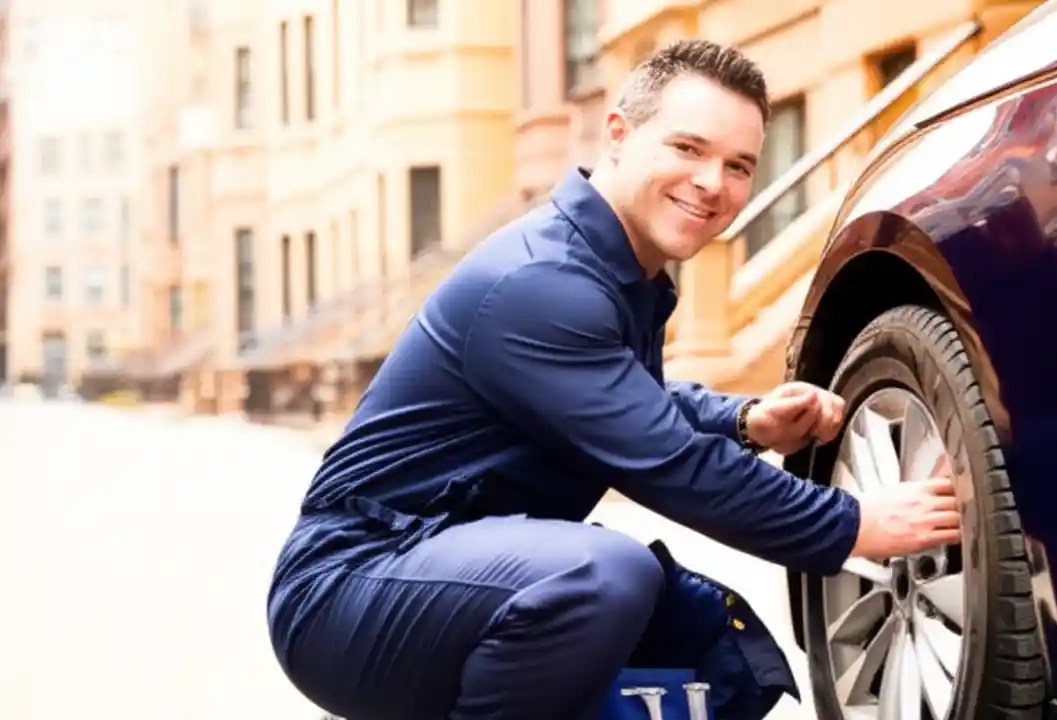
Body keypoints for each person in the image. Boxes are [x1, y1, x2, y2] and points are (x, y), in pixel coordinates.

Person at [266, 39, 961, 720]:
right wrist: (852, 524)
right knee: (602, 577)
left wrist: (743, 421)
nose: (713, 184)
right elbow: (670, 463)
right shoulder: (542, 284)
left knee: (709, 643)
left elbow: (630, 401)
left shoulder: (616, 269)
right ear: (619, 135)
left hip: (447, 566)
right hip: (353, 586)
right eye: (687, 149)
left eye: (739, 165)